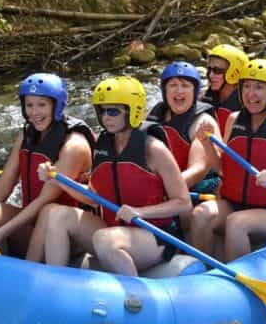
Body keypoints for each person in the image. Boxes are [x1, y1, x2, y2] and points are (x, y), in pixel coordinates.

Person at [37, 76, 191, 276]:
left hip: (154, 236)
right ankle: (55, 285)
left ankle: (135, 298)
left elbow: (183, 202)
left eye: (113, 111)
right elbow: (93, 197)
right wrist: (58, 178)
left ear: (132, 110)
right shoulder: (103, 147)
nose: (106, 117)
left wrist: (141, 212)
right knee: (57, 215)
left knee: (105, 239)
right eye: (102, 111)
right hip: (113, 230)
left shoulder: (154, 149)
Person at [0, 73, 94, 260]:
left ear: (56, 106)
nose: (34, 112)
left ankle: (21, 272)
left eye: (42, 105)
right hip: (31, 222)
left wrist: (2, 231)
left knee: (46, 216)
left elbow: (44, 200)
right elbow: (5, 182)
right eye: (29, 105)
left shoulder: (74, 146)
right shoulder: (26, 136)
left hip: (61, 233)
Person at [190, 59, 266, 261]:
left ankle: (237, 284)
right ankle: (204, 273)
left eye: (259, 88)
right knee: (199, 214)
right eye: (246, 86)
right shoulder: (233, 119)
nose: (250, 94)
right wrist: (206, 144)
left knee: (237, 222)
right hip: (233, 202)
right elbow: (222, 168)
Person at [145, 61, 222, 196]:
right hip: (168, 182)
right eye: (173, 85)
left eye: (185, 86)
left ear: (195, 91)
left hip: (199, 188)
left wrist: (160, 190)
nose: (179, 91)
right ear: (165, 91)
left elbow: (197, 170)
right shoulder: (156, 112)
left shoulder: (202, 122)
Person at [200, 44, 247, 134]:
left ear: (234, 72)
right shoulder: (207, 95)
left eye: (217, 71)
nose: (210, 75)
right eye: (209, 69)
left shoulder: (248, 103)